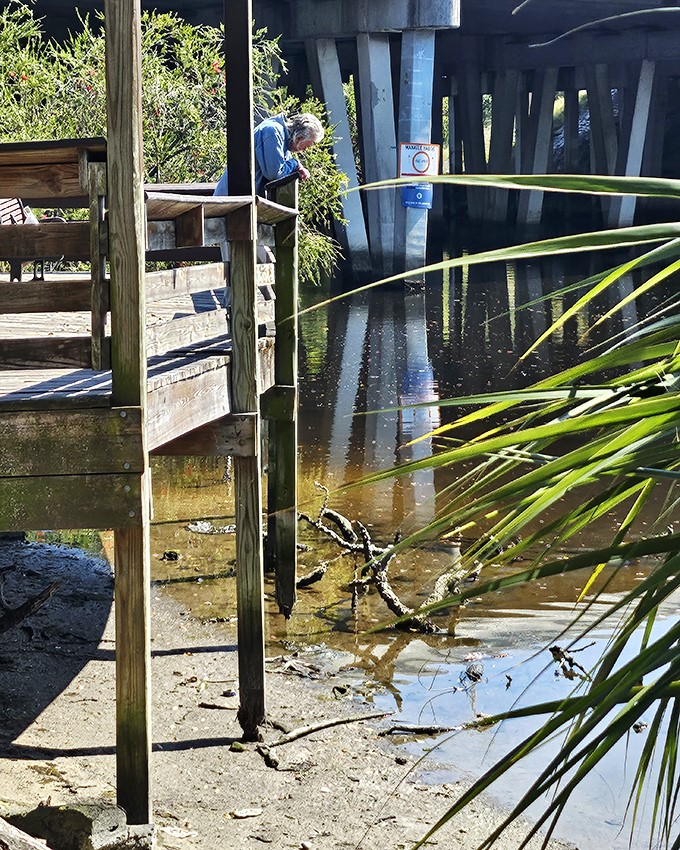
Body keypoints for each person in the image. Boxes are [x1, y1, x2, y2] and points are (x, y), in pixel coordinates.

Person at [213, 112, 324, 197]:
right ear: (299, 138)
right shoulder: (273, 132)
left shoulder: (283, 139)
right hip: (230, 202)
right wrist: (295, 164)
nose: (305, 150)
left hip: (239, 200)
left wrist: (297, 165)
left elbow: (283, 166)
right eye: (307, 146)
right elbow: (275, 173)